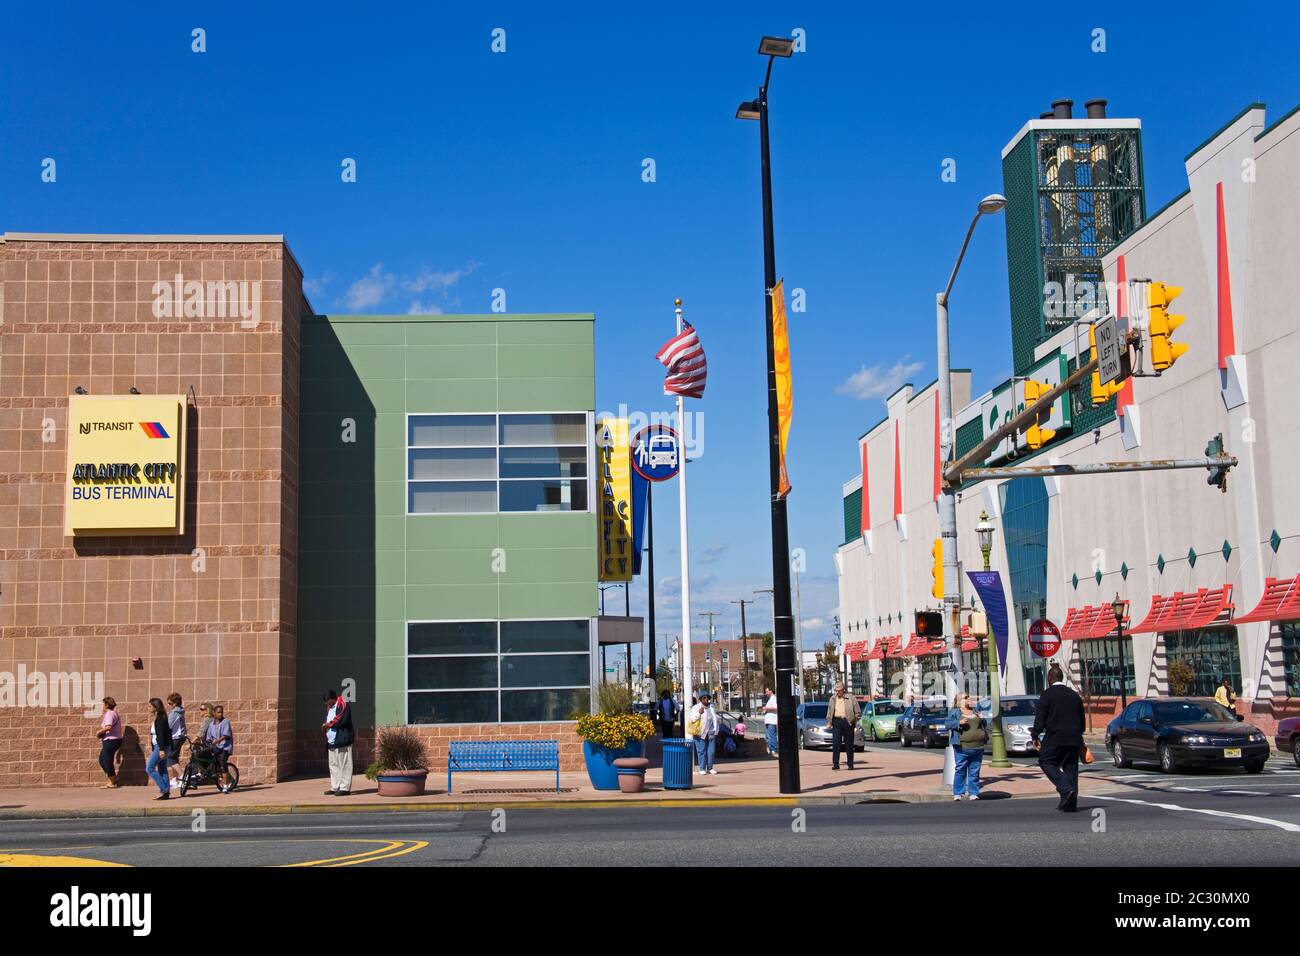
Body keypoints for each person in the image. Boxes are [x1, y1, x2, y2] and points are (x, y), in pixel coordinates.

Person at [1031, 664, 1086, 812]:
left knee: (1046, 761)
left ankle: (1065, 788)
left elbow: (1040, 718)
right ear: (1061, 677)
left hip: (1055, 737)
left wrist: (1035, 735)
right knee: (1071, 768)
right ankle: (1071, 802)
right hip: (1074, 738)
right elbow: (1082, 720)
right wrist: (1079, 735)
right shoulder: (1074, 695)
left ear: (1050, 678)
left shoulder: (1047, 695)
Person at [948, 692, 987, 801]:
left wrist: (982, 718)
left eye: (969, 697)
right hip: (962, 747)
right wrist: (958, 723)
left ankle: (973, 793)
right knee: (961, 769)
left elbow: (984, 725)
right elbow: (947, 724)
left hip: (978, 746)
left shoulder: (975, 711)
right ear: (960, 701)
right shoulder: (955, 712)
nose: (969, 698)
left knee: (975, 770)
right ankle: (958, 793)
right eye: (966, 697)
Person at [322, 689, 355, 796]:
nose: (327, 704)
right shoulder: (330, 708)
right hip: (332, 741)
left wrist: (329, 725)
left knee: (345, 764)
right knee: (333, 765)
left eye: (328, 701)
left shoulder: (343, 705)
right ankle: (335, 786)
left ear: (332, 698)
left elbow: (341, 720)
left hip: (342, 740)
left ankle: (344, 788)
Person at [826, 682, 861, 771]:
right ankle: (836, 764)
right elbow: (830, 711)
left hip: (847, 722)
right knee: (836, 743)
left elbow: (858, 712)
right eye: (836, 690)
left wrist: (854, 721)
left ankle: (850, 764)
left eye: (839, 690)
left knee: (848, 745)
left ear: (843, 690)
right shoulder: (833, 698)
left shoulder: (851, 698)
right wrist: (829, 722)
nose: (837, 692)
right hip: (836, 722)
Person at [145, 697, 174, 800]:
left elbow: (160, 736)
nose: (148, 708)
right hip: (162, 747)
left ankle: (164, 789)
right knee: (162, 769)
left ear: (155, 708)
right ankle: (166, 793)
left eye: (149, 706)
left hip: (161, 747)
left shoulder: (160, 720)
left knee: (149, 768)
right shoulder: (161, 718)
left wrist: (161, 749)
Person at [205, 704, 235, 792]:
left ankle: (225, 785)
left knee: (222, 763)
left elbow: (226, 735)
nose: (220, 714)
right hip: (216, 747)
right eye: (218, 712)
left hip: (225, 747)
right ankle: (230, 779)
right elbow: (209, 736)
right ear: (214, 713)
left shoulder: (225, 722)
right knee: (215, 763)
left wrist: (217, 741)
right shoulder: (211, 724)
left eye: (221, 712)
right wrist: (208, 742)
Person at [95, 697, 123, 788]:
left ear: (106, 705)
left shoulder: (109, 714)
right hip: (113, 740)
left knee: (106, 761)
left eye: (103, 704)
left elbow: (109, 727)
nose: (102, 706)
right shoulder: (113, 713)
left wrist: (99, 732)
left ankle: (112, 782)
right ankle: (113, 778)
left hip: (111, 740)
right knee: (102, 760)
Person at [688, 692, 719, 774]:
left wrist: (716, 729)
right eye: (704, 698)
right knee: (701, 751)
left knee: (711, 751)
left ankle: (710, 767)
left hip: (711, 733)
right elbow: (692, 719)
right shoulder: (696, 707)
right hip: (700, 733)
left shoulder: (711, 706)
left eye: (707, 698)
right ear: (701, 699)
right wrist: (699, 713)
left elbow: (714, 718)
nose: (706, 699)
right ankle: (702, 768)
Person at [165, 693, 187, 791]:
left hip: (175, 737)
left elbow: (168, 726)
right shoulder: (179, 711)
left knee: (170, 758)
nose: (168, 705)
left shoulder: (174, 713)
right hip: (179, 737)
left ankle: (182, 776)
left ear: (174, 703)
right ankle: (173, 780)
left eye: (169, 703)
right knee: (174, 758)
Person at [762, 687, 779, 757]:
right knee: (768, 736)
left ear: (771, 691)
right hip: (768, 720)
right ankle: (771, 750)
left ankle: (774, 750)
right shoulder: (770, 699)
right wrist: (764, 711)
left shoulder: (774, 698)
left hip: (772, 721)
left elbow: (776, 708)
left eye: (767, 691)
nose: (766, 693)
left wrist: (766, 708)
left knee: (772, 736)